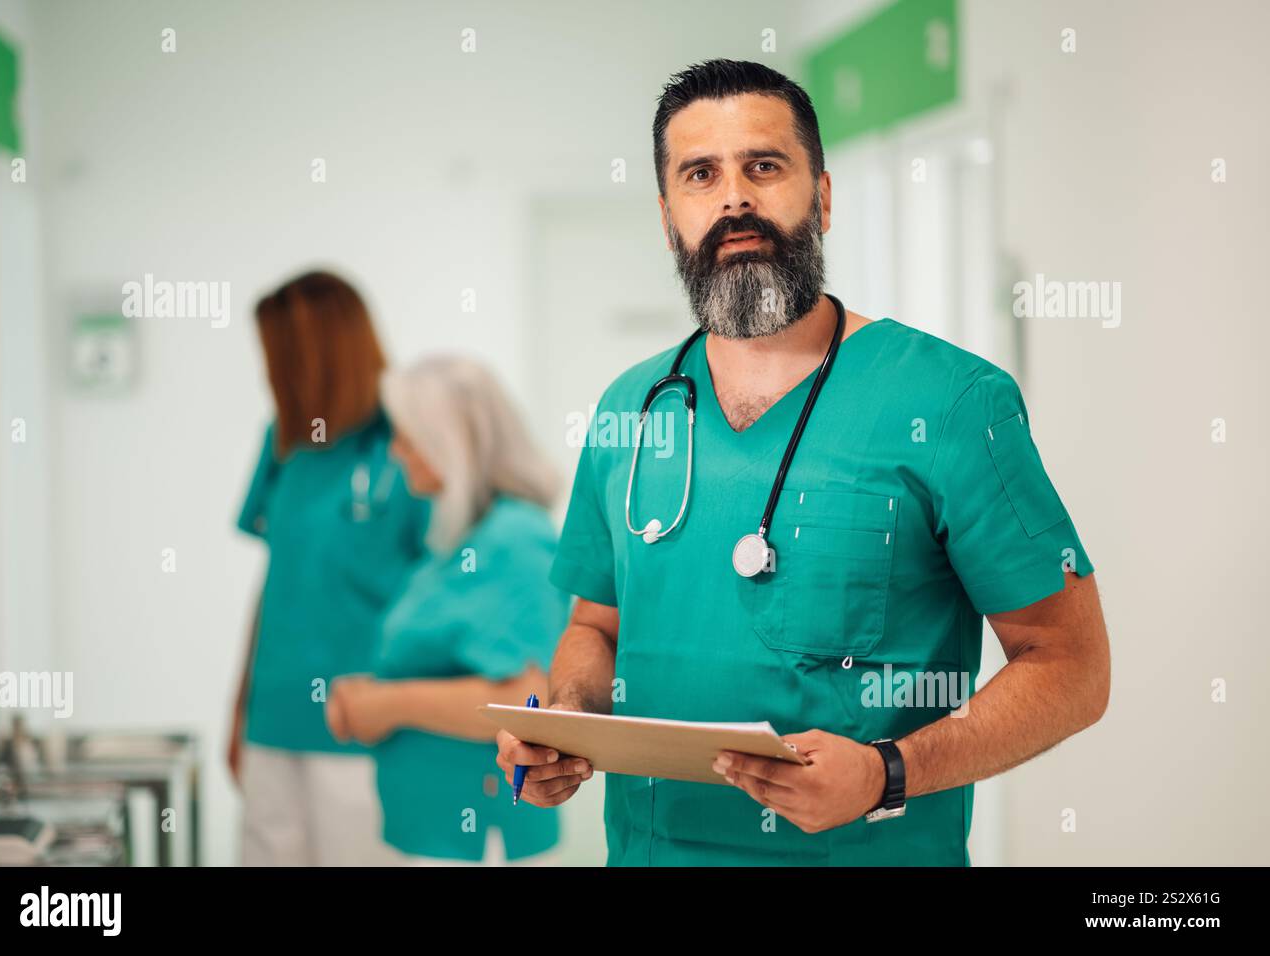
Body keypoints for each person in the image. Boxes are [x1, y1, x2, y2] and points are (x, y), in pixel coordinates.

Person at [495, 59, 1111, 866]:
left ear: (822, 195)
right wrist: (564, 722)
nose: (734, 200)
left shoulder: (953, 402)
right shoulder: (630, 409)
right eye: (700, 174)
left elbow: (1071, 667)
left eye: (764, 166)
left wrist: (889, 772)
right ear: (667, 214)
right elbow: (594, 626)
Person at [326, 357, 568, 865]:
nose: (396, 450)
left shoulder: (515, 538)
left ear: (450, 443)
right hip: (440, 829)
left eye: (408, 436)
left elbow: (527, 699)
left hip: (477, 831)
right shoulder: (464, 538)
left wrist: (385, 705)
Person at [230, 270, 429, 866]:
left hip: (363, 727)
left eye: (280, 358)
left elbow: (440, 593)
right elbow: (278, 582)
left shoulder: (408, 440)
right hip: (273, 719)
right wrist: (239, 708)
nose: (270, 375)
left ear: (321, 356)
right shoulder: (284, 439)